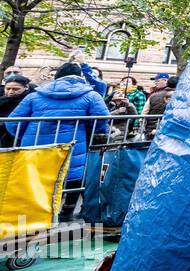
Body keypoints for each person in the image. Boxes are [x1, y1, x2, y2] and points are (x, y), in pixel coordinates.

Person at [5, 62, 110, 222]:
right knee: (74, 178)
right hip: (73, 144)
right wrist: (88, 130)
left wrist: (25, 137)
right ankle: (66, 213)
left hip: (34, 145)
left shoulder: (34, 95)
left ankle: (33, 214)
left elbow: (13, 122)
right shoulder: (91, 96)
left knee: (36, 179)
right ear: (80, 77)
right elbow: (102, 122)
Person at [0, 74, 33, 148]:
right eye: (8, 89)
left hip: (19, 138)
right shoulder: (2, 100)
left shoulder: (30, 100)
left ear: (26, 87)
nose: (11, 92)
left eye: (16, 89)